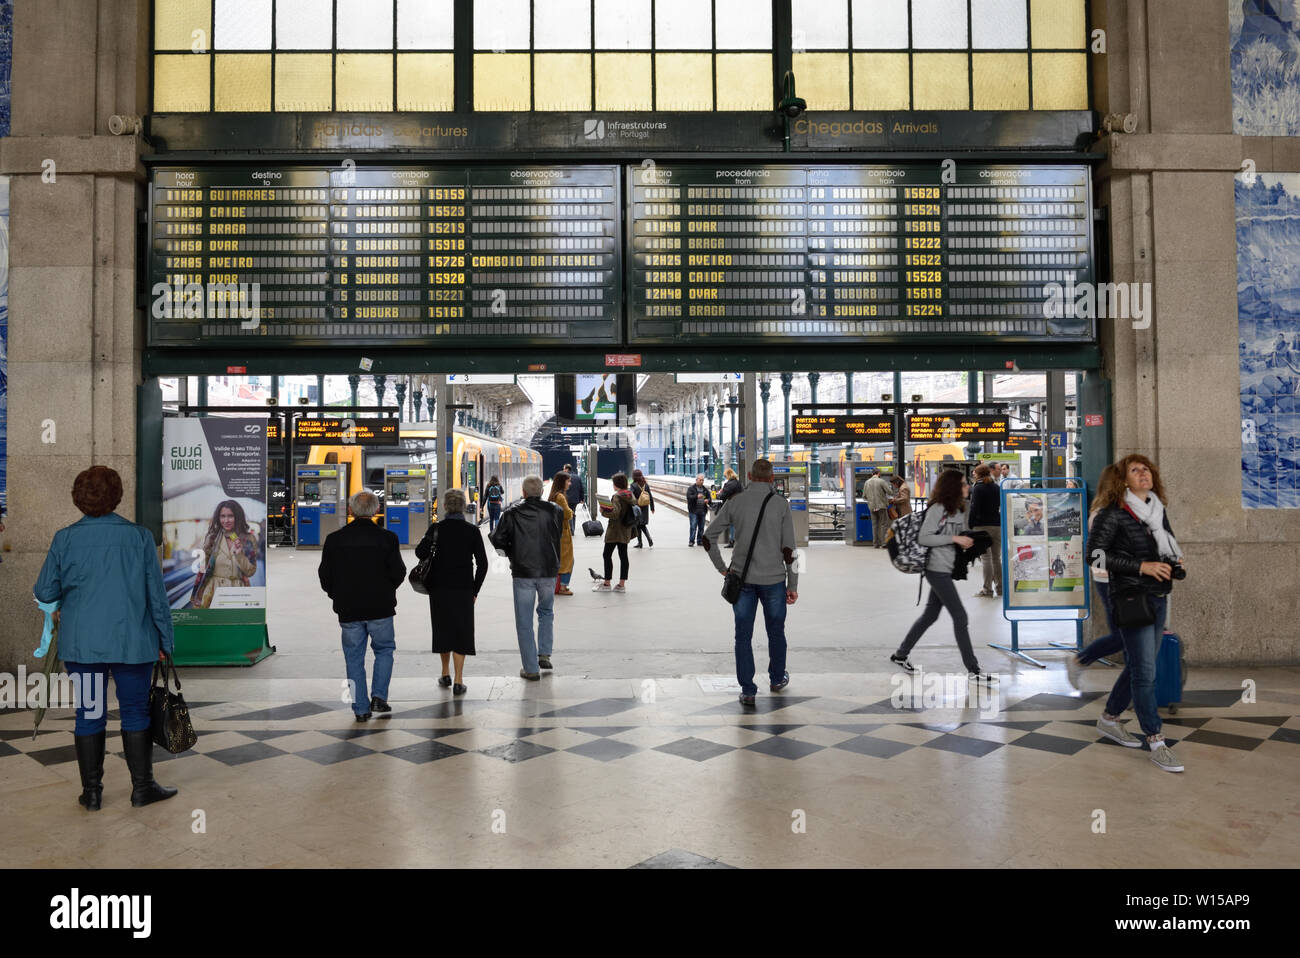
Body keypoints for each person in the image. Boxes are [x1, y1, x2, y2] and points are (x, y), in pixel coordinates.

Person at [34, 466, 178, 810]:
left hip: (83, 644)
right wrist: (166, 642)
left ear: (78, 498)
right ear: (117, 497)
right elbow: (156, 597)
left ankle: (93, 793)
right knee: (135, 712)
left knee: (88, 713)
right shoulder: (139, 537)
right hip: (134, 641)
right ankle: (142, 788)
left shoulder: (64, 539)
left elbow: (44, 590)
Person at [1087, 454, 1186, 772]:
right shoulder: (1112, 514)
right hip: (1131, 599)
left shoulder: (1156, 510)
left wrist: (1175, 566)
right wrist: (1141, 566)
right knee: (1145, 672)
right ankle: (1156, 741)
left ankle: (1109, 719)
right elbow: (1096, 558)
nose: (1143, 473)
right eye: (1135, 470)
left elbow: (1163, 550)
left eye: (1146, 469)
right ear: (1123, 480)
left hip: (1157, 597)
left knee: (1140, 667)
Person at [701, 458, 798, 708]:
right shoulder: (780, 505)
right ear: (772, 479)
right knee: (776, 632)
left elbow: (708, 537)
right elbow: (790, 550)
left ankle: (748, 690)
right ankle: (777, 679)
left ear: (750, 476)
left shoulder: (736, 502)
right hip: (775, 581)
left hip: (741, 579)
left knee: (742, 636)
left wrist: (723, 569)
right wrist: (793, 584)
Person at [890, 470, 998, 684]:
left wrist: (968, 540)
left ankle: (901, 654)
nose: (968, 487)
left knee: (930, 615)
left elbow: (955, 536)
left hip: (946, 568)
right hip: (936, 569)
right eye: (964, 484)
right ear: (953, 487)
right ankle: (974, 670)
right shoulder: (937, 508)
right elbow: (925, 537)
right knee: (961, 617)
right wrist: (956, 538)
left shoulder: (958, 510)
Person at [318, 490, 406, 721]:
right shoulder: (388, 538)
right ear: (377, 510)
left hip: (348, 610)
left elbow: (324, 576)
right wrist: (386, 590)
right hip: (381, 608)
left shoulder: (335, 539)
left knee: (353, 658)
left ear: (350, 511)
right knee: (385, 651)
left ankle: (360, 708)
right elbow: (399, 572)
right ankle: (379, 697)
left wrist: (337, 595)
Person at [490, 475, 563, 679]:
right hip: (549, 570)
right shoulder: (555, 511)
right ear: (541, 491)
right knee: (546, 612)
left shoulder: (512, 513)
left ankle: (531, 668)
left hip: (523, 572)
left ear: (523, 492)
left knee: (524, 620)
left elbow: (498, 540)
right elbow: (558, 535)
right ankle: (545, 654)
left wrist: (511, 551)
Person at [416, 489, 487, 696]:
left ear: (445, 507)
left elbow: (420, 553)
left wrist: (430, 540)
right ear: (464, 507)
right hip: (464, 588)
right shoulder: (472, 531)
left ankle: (445, 673)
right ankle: (458, 680)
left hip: (439, 588)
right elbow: (482, 564)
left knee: (442, 629)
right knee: (461, 631)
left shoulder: (436, 529)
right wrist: (475, 590)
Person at [1067, 464, 1126, 689]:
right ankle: (1081, 659)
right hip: (1110, 581)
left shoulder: (1117, 510)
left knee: (1129, 638)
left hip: (1118, 579)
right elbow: (1098, 555)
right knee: (1123, 637)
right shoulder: (1102, 514)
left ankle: (1136, 690)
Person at [190, 499, 260, 608]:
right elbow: (203, 568)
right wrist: (206, 548)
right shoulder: (212, 538)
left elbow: (251, 571)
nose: (226, 520)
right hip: (214, 592)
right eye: (222, 516)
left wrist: (239, 555)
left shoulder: (248, 539)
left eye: (230, 516)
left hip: (239, 593)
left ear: (238, 517)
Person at [593, 473, 636, 592]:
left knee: (607, 555)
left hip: (615, 531)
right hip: (626, 529)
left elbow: (615, 514)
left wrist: (603, 511)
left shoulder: (617, 496)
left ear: (616, 484)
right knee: (623, 556)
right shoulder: (629, 494)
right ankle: (621, 585)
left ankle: (607, 584)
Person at [968, 464, 1002, 598]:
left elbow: (974, 508)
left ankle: (987, 590)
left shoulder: (977, 488)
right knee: (996, 558)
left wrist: (970, 524)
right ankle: (1001, 589)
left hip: (981, 526)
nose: (973, 475)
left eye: (975, 473)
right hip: (996, 525)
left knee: (986, 558)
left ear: (980, 474)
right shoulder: (996, 487)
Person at [548, 471, 575, 595]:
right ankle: (562, 587)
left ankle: (558, 586)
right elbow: (568, 514)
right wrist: (570, 511)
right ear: (562, 482)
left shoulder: (554, 495)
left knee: (560, 559)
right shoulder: (560, 497)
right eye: (568, 481)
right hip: (563, 533)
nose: (570, 483)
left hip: (556, 531)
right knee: (567, 560)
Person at [862, 468, 893, 548]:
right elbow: (890, 492)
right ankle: (883, 543)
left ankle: (875, 544)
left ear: (872, 474)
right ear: (878, 473)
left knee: (874, 525)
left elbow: (864, 496)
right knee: (884, 524)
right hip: (881, 506)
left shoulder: (867, 482)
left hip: (872, 506)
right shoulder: (881, 481)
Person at [716, 467, 743, 547]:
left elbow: (723, 496)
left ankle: (732, 541)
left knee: (732, 525)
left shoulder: (730, 484)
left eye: (725, 476)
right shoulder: (738, 483)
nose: (725, 477)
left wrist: (719, 494)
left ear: (728, 475)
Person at [630, 468, 656, 548]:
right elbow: (650, 496)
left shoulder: (633, 485)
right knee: (640, 525)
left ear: (634, 476)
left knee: (640, 525)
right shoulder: (646, 484)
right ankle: (640, 543)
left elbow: (630, 496)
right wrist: (652, 507)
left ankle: (649, 540)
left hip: (637, 508)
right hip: (645, 508)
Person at [685, 473, 712, 546]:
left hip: (702, 511)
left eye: (703, 480)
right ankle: (691, 541)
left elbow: (709, 498)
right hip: (694, 511)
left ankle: (699, 541)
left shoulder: (705, 489)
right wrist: (697, 496)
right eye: (700, 480)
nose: (702, 482)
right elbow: (689, 497)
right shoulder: (691, 488)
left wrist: (708, 500)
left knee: (701, 527)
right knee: (693, 526)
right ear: (696, 480)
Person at [565, 465, 585, 534]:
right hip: (575, 499)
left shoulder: (565, 477)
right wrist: (582, 498)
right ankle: (572, 529)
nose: (563, 470)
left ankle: (571, 529)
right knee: (573, 512)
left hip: (567, 498)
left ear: (567, 469)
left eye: (564, 469)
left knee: (569, 513)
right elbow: (581, 488)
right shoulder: (577, 477)